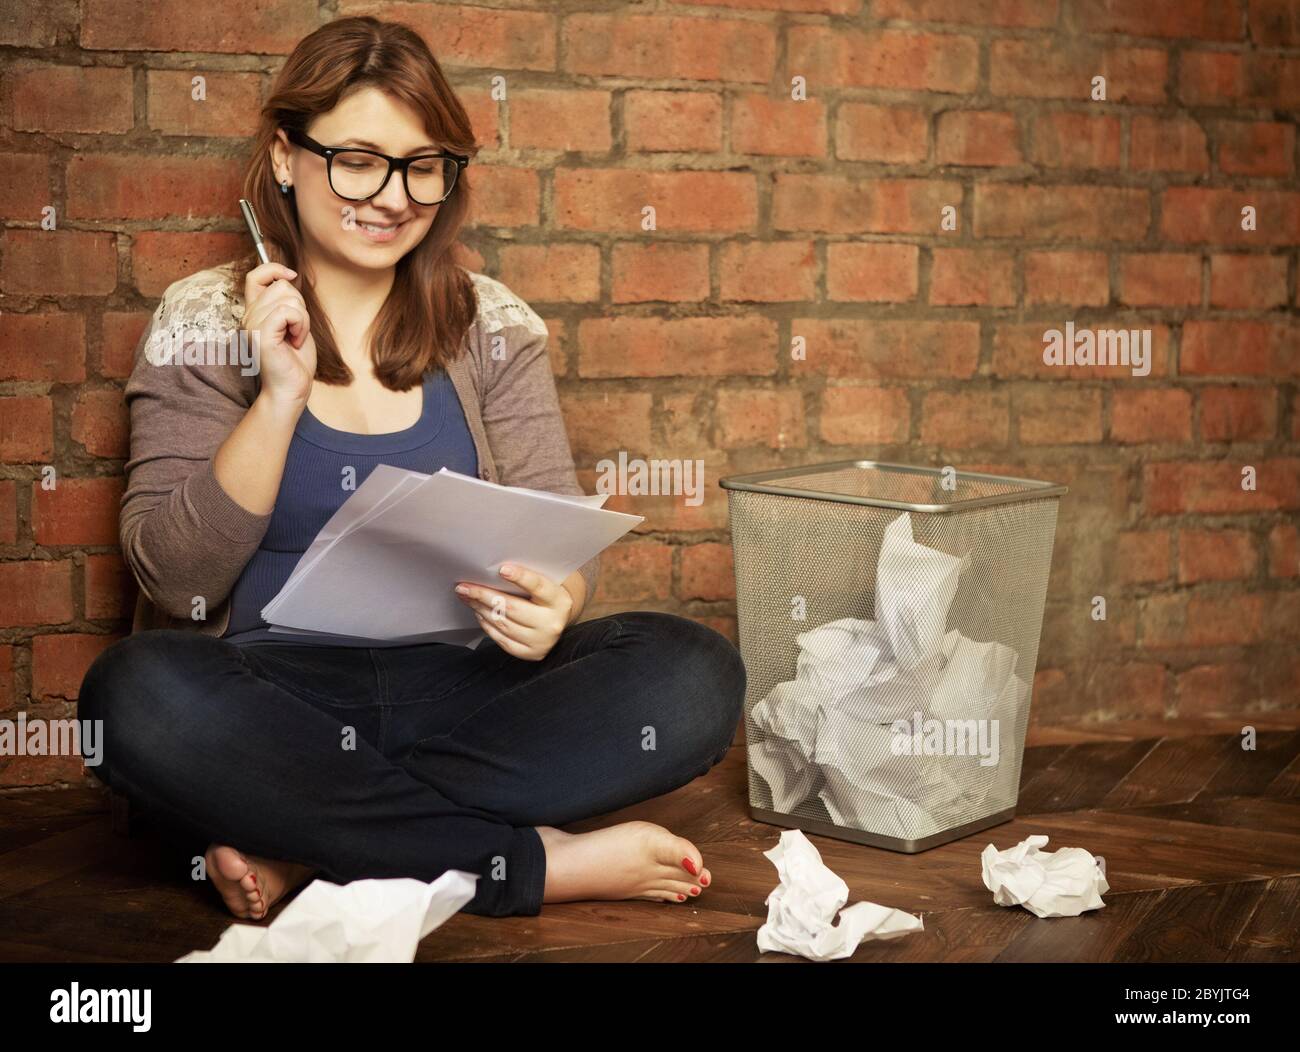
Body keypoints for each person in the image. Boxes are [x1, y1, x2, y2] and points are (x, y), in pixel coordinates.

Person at [78, 15, 746, 921]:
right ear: (286, 157)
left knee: (693, 671)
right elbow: (172, 573)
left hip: (467, 696)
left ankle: (308, 848)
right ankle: (528, 866)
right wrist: (277, 397)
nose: (392, 195)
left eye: (422, 165)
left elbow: (559, 534)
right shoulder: (204, 318)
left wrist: (560, 603)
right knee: (132, 696)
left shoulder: (492, 323)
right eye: (357, 159)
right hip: (276, 705)